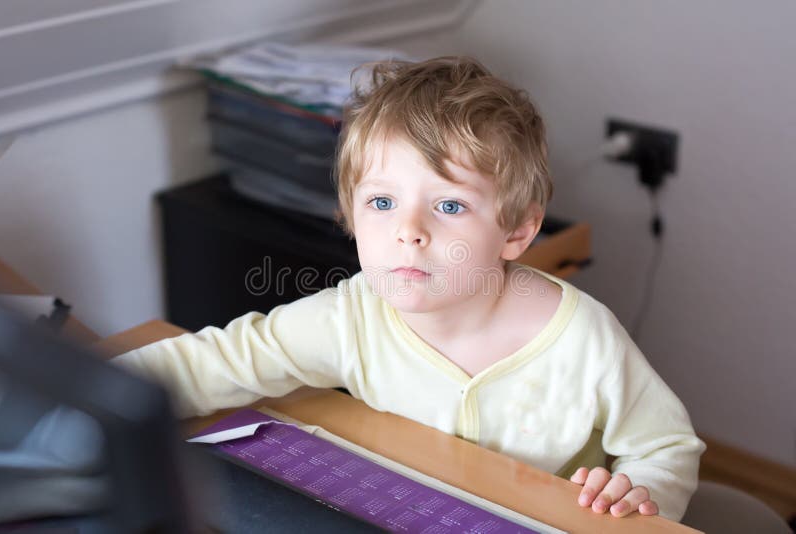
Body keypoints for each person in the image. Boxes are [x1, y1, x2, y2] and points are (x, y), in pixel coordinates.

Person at [114, 56, 704, 522]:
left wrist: (636, 492)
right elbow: (215, 363)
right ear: (350, 214)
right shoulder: (351, 316)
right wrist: (94, 395)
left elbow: (666, 448)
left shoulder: (583, 339)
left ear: (518, 231)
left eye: (449, 205)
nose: (409, 231)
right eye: (382, 202)